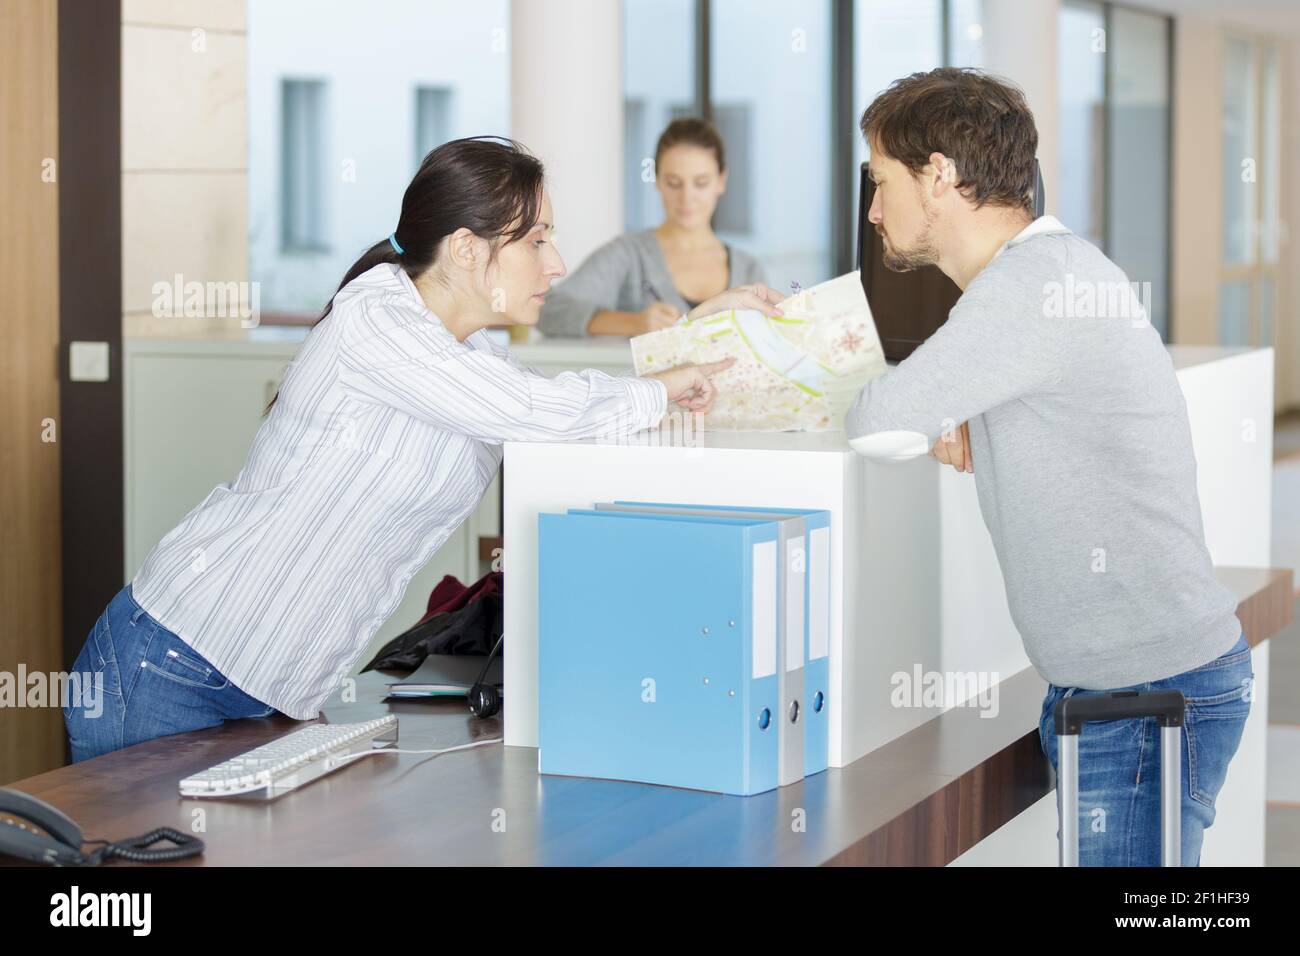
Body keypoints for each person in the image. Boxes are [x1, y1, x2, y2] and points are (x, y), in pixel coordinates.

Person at [63, 136, 783, 763]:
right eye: (536, 240)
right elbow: (538, 409)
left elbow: (562, 410)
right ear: (468, 248)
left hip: (272, 684)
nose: (557, 263)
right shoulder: (377, 318)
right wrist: (662, 385)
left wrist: (699, 331)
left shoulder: (473, 350)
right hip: (172, 664)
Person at [845, 69, 1251, 866]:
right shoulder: (1041, 278)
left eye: (882, 181)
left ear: (939, 175)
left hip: (1142, 696)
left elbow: (875, 420)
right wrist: (955, 408)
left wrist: (935, 408)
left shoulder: (1032, 287)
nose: (873, 211)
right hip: (1123, 686)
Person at [537, 117, 769, 337]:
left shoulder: (748, 270)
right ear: (657, 180)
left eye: (701, 183)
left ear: (721, 180)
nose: (686, 197)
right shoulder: (629, 255)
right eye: (673, 183)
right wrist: (632, 323)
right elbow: (548, 309)